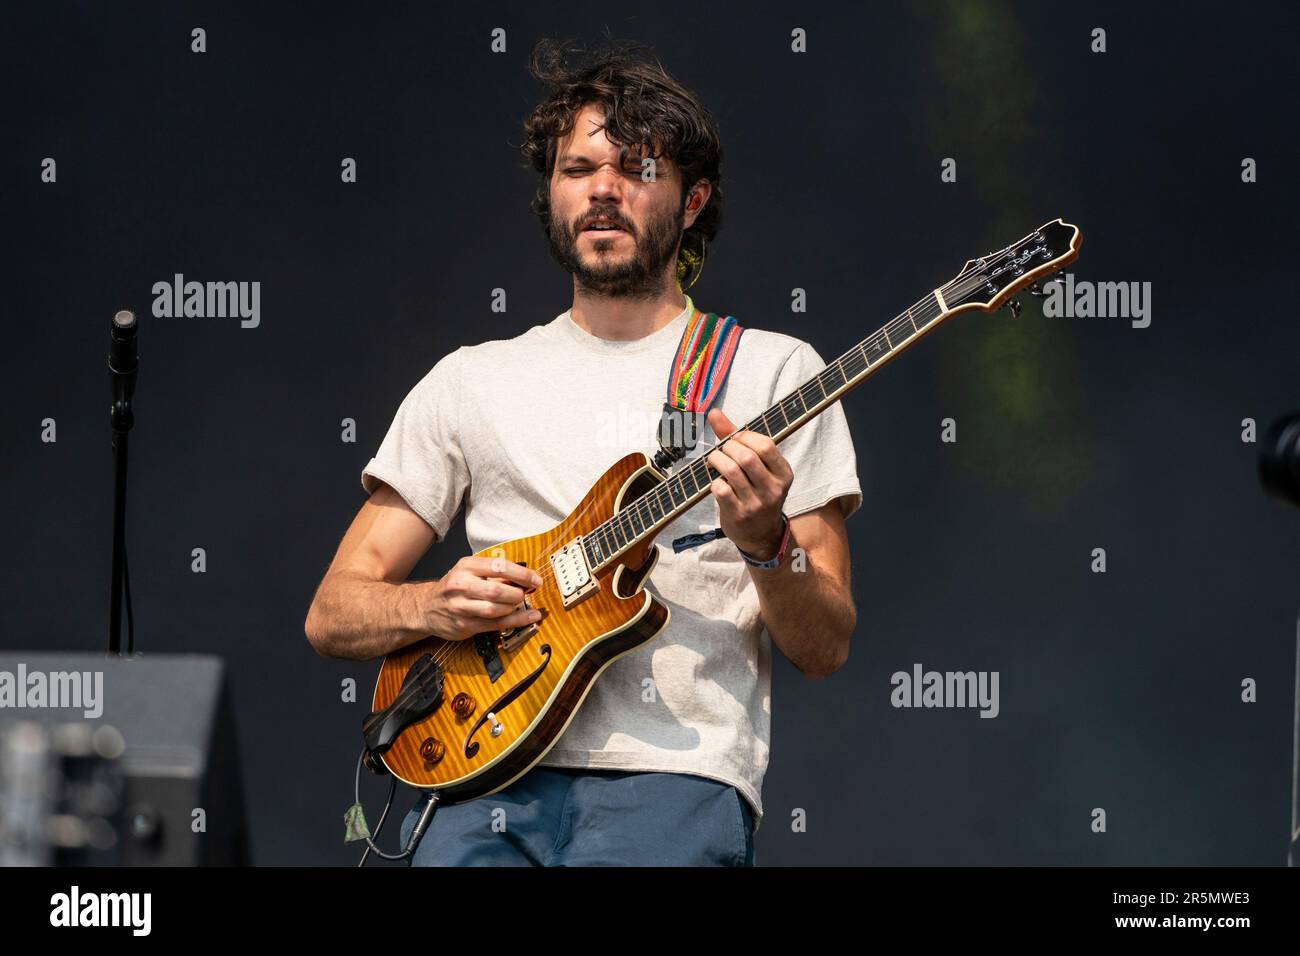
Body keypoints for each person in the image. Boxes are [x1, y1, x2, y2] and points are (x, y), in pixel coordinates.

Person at [305, 39, 862, 866]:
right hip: (478, 775)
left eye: (637, 167)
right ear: (552, 194)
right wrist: (434, 607)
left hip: (673, 784)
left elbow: (825, 647)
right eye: (577, 169)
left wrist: (766, 543)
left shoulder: (773, 372)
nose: (603, 188)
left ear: (693, 198)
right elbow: (332, 612)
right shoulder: (471, 381)